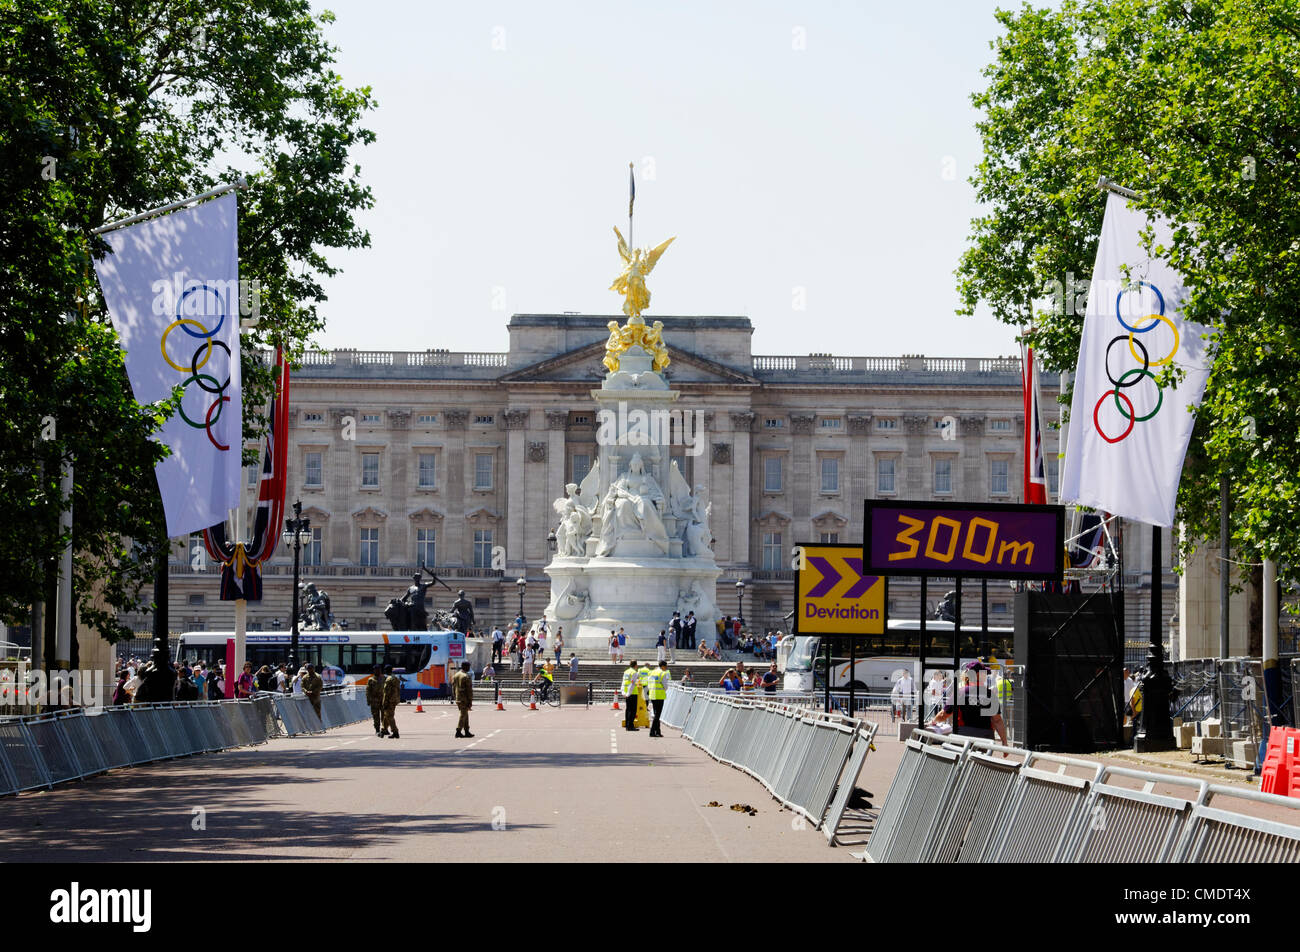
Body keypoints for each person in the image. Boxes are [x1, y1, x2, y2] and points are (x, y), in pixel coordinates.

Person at [928, 661, 1008, 745]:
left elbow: (944, 714)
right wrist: (1004, 742)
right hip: (985, 737)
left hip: (963, 735)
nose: (985, 675)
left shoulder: (960, 692)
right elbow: (997, 720)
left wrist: (933, 721)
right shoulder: (990, 694)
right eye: (984, 673)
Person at [647, 661, 670, 737]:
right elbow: (665, 686)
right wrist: (663, 689)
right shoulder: (662, 673)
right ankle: (652, 731)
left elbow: (649, 682)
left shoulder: (652, 672)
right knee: (657, 715)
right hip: (659, 696)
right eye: (666, 666)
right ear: (662, 666)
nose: (666, 668)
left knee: (656, 714)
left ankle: (658, 731)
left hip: (652, 694)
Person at [452, 661, 474, 738]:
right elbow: (469, 690)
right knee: (463, 714)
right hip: (464, 698)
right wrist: (470, 700)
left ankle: (466, 731)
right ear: (465, 667)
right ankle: (458, 730)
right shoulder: (466, 676)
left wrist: (455, 696)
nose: (469, 668)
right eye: (468, 666)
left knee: (465, 714)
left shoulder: (456, 675)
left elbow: (453, 687)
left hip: (458, 697)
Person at [381, 665, 402, 739]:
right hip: (395, 700)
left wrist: (384, 702)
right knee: (387, 715)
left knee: (389, 716)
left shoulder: (389, 679)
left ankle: (395, 732)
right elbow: (398, 690)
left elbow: (386, 693)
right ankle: (384, 729)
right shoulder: (396, 678)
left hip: (389, 700)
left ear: (386, 671)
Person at [621, 660, 641, 731]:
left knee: (628, 709)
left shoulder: (626, 671)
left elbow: (623, 682)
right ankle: (630, 726)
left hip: (626, 692)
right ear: (636, 665)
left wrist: (623, 692)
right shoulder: (634, 672)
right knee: (633, 710)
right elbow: (632, 684)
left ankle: (627, 724)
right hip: (632, 693)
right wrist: (629, 693)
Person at [366, 665, 385, 736]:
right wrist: (369, 700)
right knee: (376, 716)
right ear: (374, 671)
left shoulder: (384, 678)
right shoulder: (370, 680)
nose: (378, 671)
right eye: (376, 670)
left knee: (384, 716)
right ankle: (377, 729)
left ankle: (384, 729)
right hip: (374, 701)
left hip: (383, 700)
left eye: (379, 669)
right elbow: (368, 691)